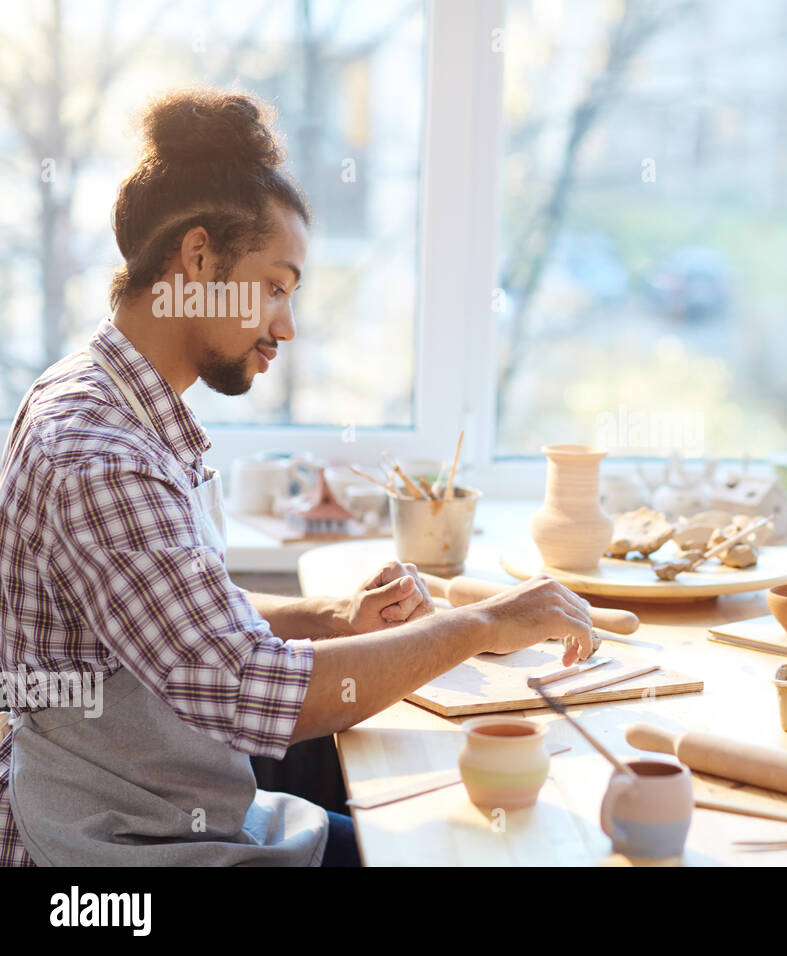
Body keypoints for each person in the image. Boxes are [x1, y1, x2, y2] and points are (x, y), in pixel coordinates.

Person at [0, 88, 594, 867]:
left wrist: (335, 616)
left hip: (170, 813)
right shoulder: (100, 451)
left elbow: (175, 611)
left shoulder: (115, 402)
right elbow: (245, 686)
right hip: (115, 859)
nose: (285, 324)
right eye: (276, 286)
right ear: (199, 258)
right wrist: (483, 625)